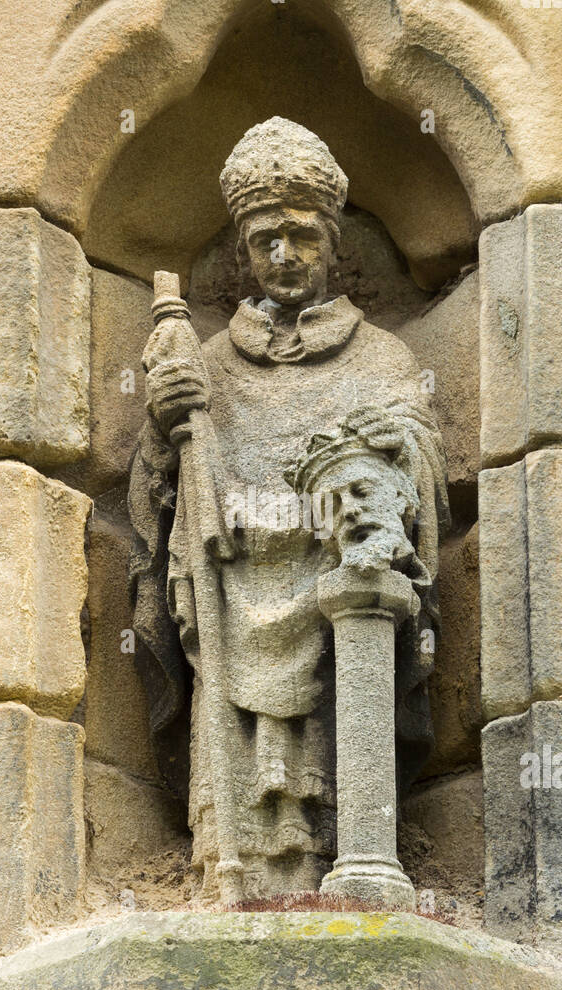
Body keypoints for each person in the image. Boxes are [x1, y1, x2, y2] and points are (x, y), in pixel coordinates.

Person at [129, 117, 449, 901]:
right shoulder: (206, 364)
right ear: (240, 252)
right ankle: (229, 866)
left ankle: (350, 856)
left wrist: (394, 447)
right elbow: (159, 493)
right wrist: (166, 429)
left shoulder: (381, 356)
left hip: (336, 587)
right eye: (263, 239)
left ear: (334, 244)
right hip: (233, 586)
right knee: (233, 730)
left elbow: (421, 463)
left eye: (300, 236)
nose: (282, 254)